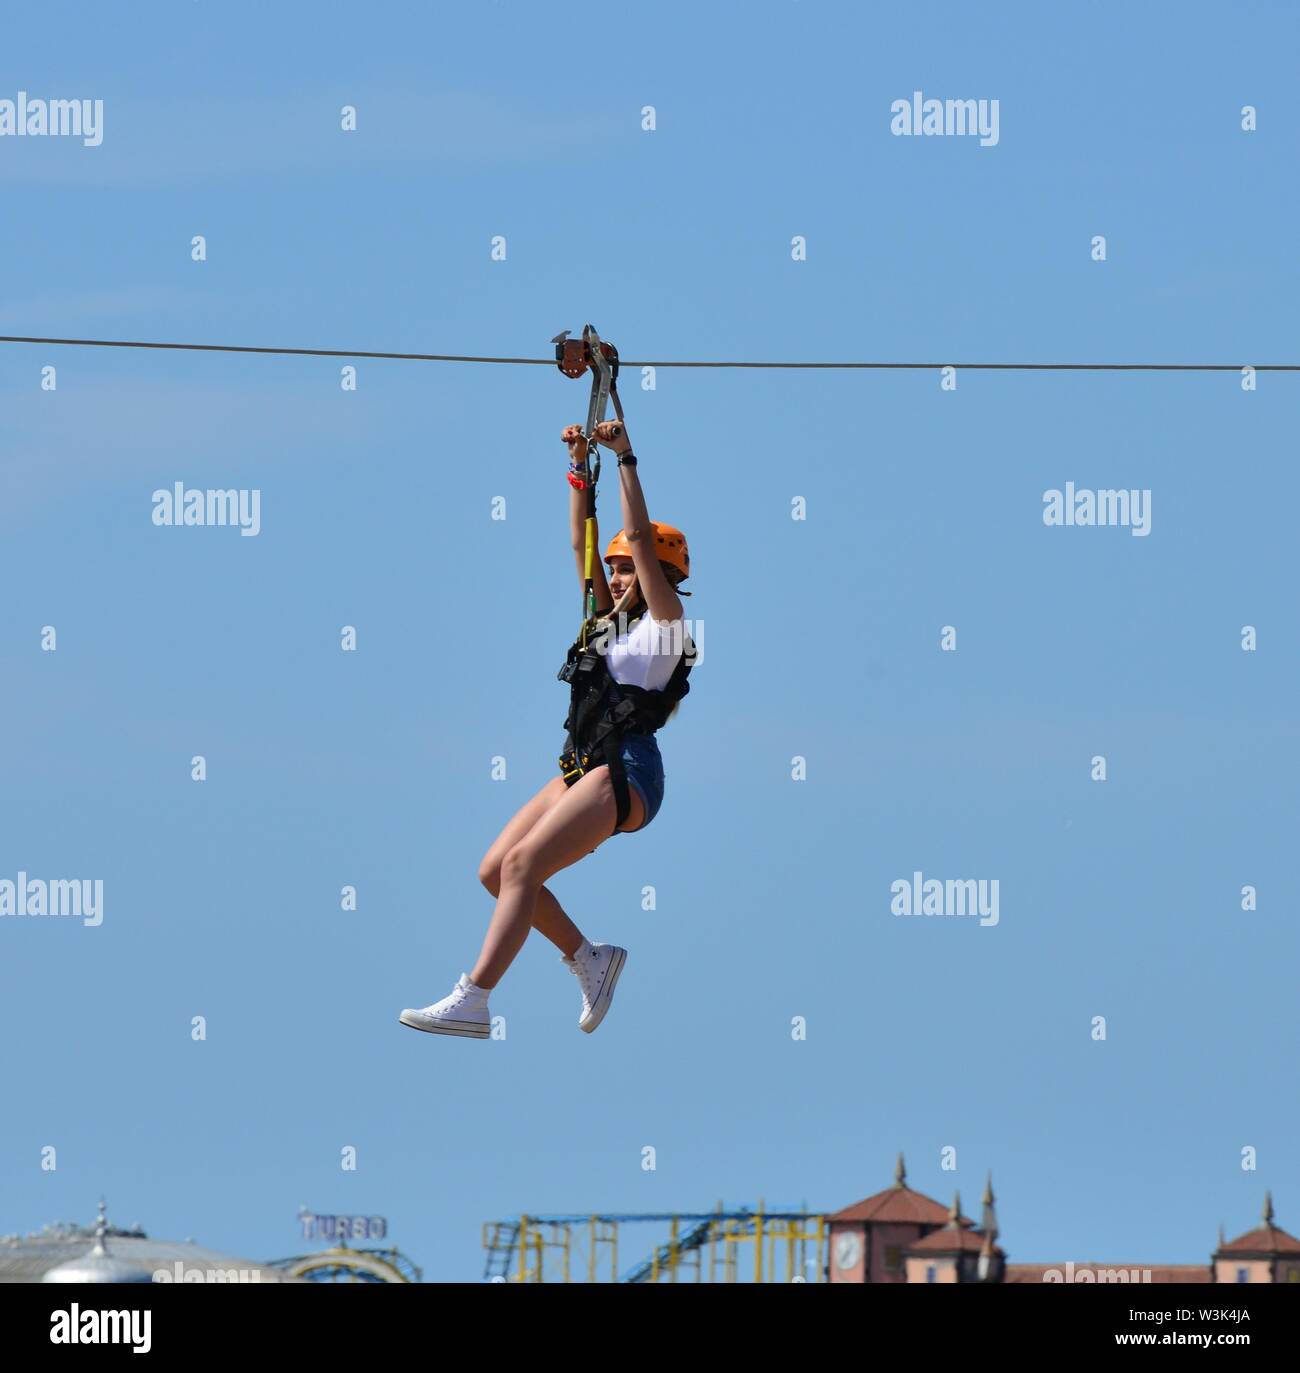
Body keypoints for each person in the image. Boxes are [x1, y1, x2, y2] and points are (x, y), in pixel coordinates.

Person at [400, 416, 695, 1039]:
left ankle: (474, 998)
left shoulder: (666, 627)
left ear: (662, 582)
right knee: (496, 869)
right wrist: (578, 469)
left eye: (630, 571)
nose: (618, 578)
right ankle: (590, 959)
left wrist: (624, 458)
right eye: (614, 570)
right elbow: (580, 547)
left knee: (524, 866)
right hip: (587, 762)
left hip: (629, 770)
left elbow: (640, 538)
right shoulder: (605, 622)